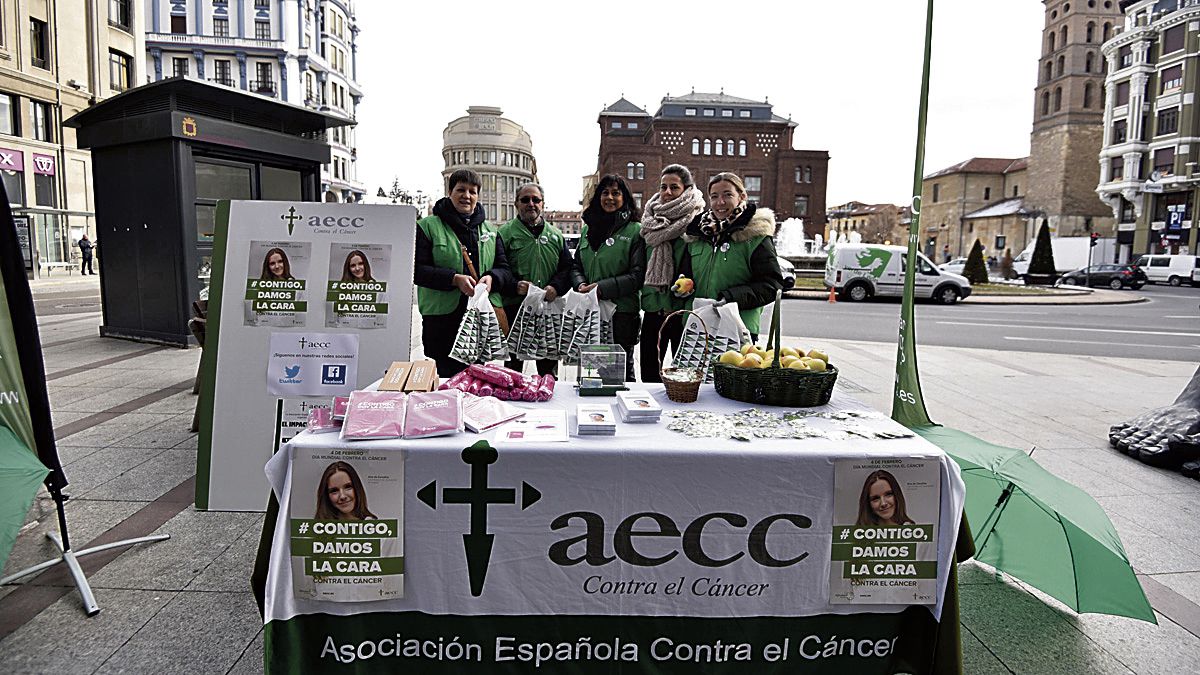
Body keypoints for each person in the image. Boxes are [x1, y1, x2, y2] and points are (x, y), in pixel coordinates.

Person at [414, 169, 515, 377]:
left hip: (479, 321)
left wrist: (492, 278)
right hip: (442, 322)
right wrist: (453, 279)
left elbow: (505, 269)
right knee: (445, 382)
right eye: (461, 189)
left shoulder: (490, 230)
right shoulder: (427, 227)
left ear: (478, 196)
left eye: (472, 191)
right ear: (449, 192)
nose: (466, 196)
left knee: (477, 381)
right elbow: (416, 270)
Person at [678, 172, 783, 342]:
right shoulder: (696, 235)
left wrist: (730, 297)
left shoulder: (755, 237)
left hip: (737, 330)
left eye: (728, 195)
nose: (720, 202)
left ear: (742, 196)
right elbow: (685, 275)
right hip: (696, 327)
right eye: (714, 196)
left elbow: (772, 285)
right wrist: (682, 288)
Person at [569, 175, 645, 381]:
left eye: (616, 193)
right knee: (593, 372)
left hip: (622, 315)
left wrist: (601, 288)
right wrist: (581, 283)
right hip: (591, 312)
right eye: (605, 193)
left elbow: (638, 276)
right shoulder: (587, 230)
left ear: (625, 198)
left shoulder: (635, 231)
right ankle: (597, 413)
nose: (609, 197)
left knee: (620, 374)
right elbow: (576, 265)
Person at [638, 164, 706, 383]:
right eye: (663, 187)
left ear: (686, 189)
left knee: (683, 377)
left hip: (682, 312)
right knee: (649, 373)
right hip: (653, 308)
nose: (667, 193)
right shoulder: (650, 222)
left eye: (673, 187)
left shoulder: (697, 222)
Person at [498, 183, 573, 377]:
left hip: (548, 310)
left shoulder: (555, 235)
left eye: (535, 200)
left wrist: (556, 287)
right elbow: (498, 268)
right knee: (513, 371)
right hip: (516, 310)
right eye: (525, 200)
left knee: (548, 370)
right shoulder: (504, 234)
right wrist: (514, 285)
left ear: (543, 204)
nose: (531, 204)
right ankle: (514, 403)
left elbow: (567, 269)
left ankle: (550, 400)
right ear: (516, 203)